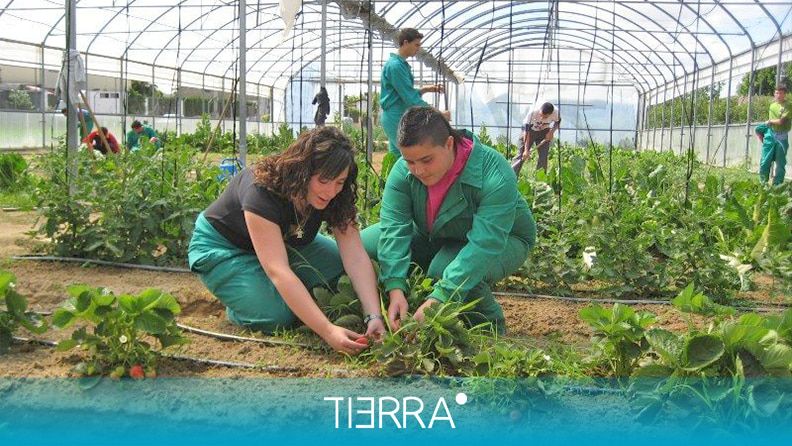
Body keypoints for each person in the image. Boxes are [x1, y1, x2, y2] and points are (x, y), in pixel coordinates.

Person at [187, 127, 385, 354]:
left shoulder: (337, 195)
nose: (331, 191)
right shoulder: (261, 190)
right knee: (277, 315)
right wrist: (327, 330)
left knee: (339, 274)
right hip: (224, 247)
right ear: (303, 171)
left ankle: (277, 291)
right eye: (324, 180)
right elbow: (278, 270)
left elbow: (355, 257)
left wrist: (374, 316)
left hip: (285, 241)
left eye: (339, 182)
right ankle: (244, 305)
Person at [361, 106, 537, 334]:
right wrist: (395, 287)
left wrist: (440, 297)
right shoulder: (403, 171)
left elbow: (485, 244)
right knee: (361, 247)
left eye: (426, 160)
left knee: (445, 269)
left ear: (449, 144)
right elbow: (394, 227)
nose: (418, 170)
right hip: (433, 233)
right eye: (410, 162)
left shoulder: (494, 173)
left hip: (505, 239)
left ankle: (488, 328)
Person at [380, 28, 449, 157]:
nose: (418, 48)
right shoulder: (396, 66)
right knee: (409, 156)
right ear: (406, 42)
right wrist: (438, 113)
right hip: (395, 116)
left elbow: (401, 93)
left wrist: (425, 89)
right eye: (416, 45)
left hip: (397, 114)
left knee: (397, 157)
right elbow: (410, 98)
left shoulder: (399, 64)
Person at [512, 101, 561, 174]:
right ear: (540, 109)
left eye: (545, 117)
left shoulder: (556, 112)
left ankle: (540, 179)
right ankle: (512, 176)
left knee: (543, 156)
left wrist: (551, 132)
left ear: (550, 114)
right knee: (521, 154)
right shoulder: (533, 112)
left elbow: (558, 121)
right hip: (530, 131)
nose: (541, 118)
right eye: (541, 115)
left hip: (544, 131)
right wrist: (526, 150)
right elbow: (527, 131)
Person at [765, 84, 789, 183]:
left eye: (781, 93)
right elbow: (770, 123)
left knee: (780, 162)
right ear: (774, 94)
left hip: (782, 136)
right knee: (765, 160)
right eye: (777, 93)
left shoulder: (788, 105)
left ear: (785, 94)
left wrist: (770, 121)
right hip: (771, 134)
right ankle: (763, 183)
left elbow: (781, 121)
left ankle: (777, 185)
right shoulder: (772, 106)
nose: (778, 95)